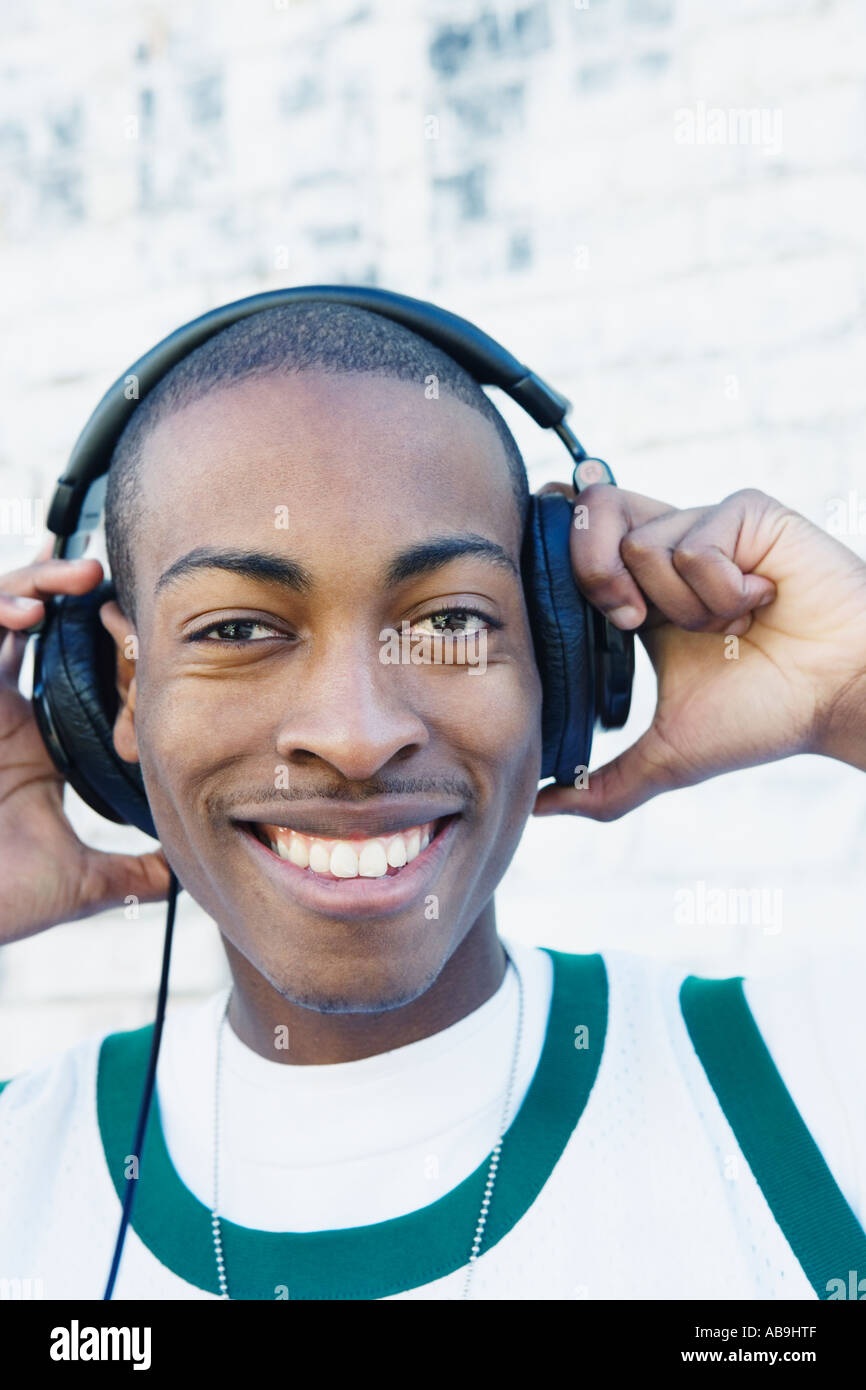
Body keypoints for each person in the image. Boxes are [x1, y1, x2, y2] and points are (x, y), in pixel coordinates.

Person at [0, 303, 864, 1301]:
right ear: (117, 683)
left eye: (449, 618)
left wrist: (848, 687)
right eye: (238, 629)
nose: (358, 735)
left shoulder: (807, 1086)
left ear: (560, 660)